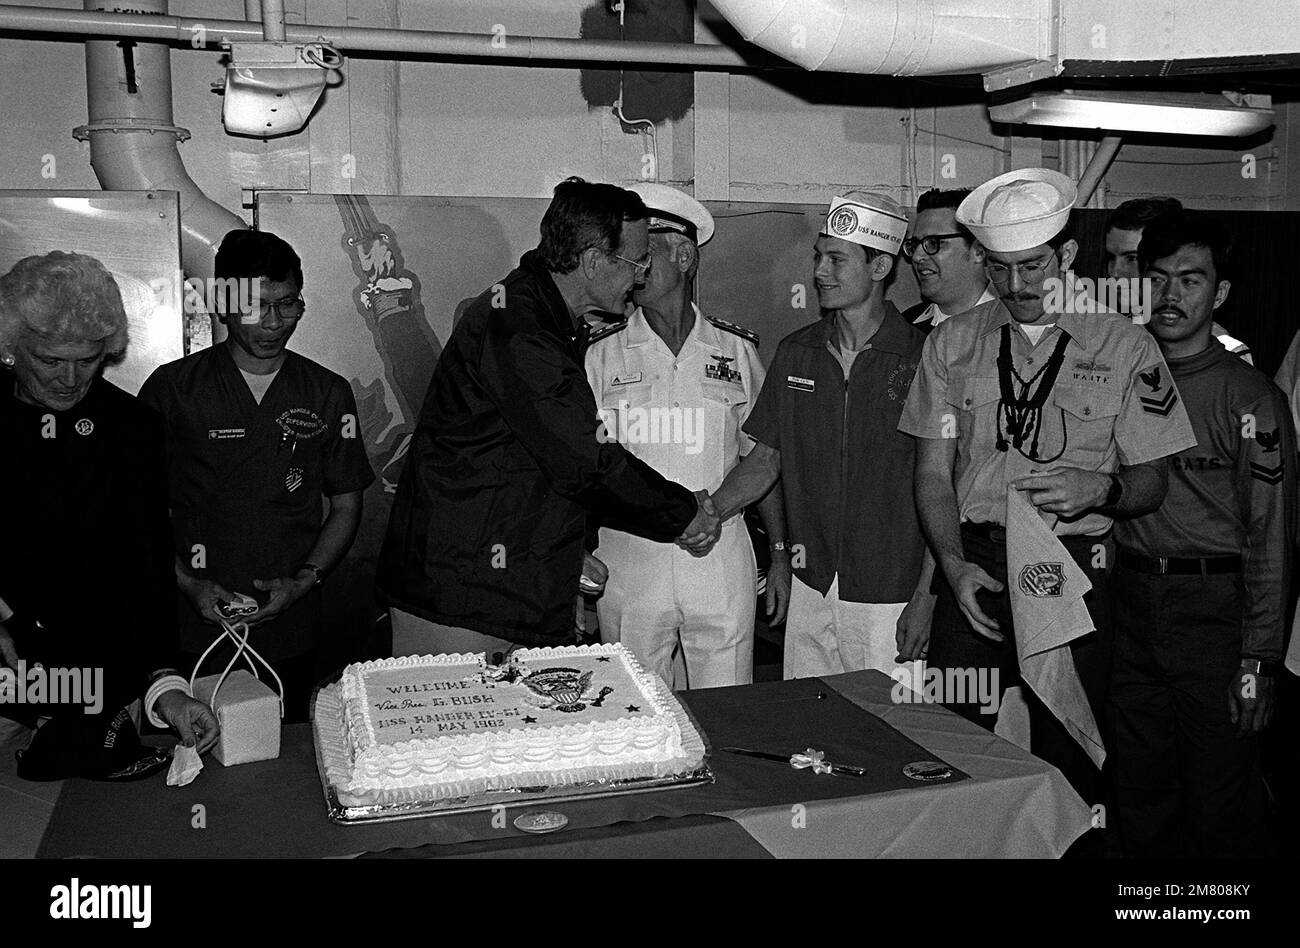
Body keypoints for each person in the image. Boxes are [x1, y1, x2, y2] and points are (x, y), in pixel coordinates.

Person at [898, 168, 1197, 803]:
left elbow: (1152, 481)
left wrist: (1100, 490)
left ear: (1065, 254)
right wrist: (951, 567)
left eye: (1033, 267)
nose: (1016, 286)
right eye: (1000, 269)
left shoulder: (1127, 346)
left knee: (1071, 751)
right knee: (953, 749)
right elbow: (932, 474)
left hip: (1071, 568)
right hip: (975, 566)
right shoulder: (951, 345)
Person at [377, 177, 721, 662]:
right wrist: (683, 513)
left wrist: (566, 553)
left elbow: (533, 463)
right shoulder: (519, 328)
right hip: (462, 597)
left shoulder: (545, 318)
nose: (641, 276)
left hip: (499, 584)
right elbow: (584, 461)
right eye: (636, 261)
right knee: (461, 734)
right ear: (593, 261)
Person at [1109, 213, 1291, 857]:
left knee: (1221, 805)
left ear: (1219, 294)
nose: (1170, 294)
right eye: (1156, 278)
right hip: (1128, 606)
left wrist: (1260, 663)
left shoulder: (1249, 396)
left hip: (1215, 619)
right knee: (1137, 797)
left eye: (1191, 280)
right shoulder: (1119, 377)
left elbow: (1272, 537)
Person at [139, 230, 375, 723]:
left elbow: (347, 504)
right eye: (256, 306)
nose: (273, 323)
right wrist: (187, 583)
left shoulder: (326, 392)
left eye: (287, 305)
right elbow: (136, 509)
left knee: (282, 756)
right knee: (201, 745)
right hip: (193, 620)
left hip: (290, 621)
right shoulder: (174, 389)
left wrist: (304, 581)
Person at [0, 251, 218, 779]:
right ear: (11, 347)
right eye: (50, 360)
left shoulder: (130, 430)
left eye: (89, 359)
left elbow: (145, 568)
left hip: (91, 687)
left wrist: (166, 686)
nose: (70, 379)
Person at [711, 192, 934, 679]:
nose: (819, 272)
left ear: (879, 267)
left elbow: (945, 486)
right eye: (818, 256)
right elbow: (765, 460)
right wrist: (707, 511)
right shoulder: (797, 352)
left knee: (893, 738)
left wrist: (927, 596)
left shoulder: (924, 357)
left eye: (836, 259)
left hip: (890, 593)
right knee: (809, 733)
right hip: (812, 585)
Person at [585, 183, 786, 688]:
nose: (631, 264)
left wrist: (778, 551)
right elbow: (575, 467)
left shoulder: (735, 350)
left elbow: (763, 456)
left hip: (719, 554)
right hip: (629, 558)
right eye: (623, 252)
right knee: (636, 713)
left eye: (644, 249)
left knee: (730, 711)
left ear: (684, 255)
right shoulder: (599, 353)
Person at [1103, 197, 1251, 362]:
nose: (1115, 272)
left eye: (1132, 258)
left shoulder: (1227, 351)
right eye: (1110, 257)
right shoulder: (1110, 338)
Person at [899, 188, 995, 333]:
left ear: (979, 251)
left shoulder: (1012, 323)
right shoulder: (905, 327)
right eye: (914, 245)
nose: (917, 256)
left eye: (933, 243)